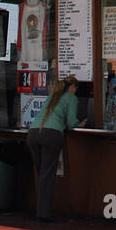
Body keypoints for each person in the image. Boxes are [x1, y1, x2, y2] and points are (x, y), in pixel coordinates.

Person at [26, 77, 81, 222]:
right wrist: (80, 123)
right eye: (76, 88)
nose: (76, 91)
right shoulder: (71, 98)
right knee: (47, 176)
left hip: (33, 133)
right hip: (52, 134)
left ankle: (39, 210)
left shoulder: (51, 96)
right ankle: (43, 215)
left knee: (41, 174)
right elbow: (71, 122)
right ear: (72, 87)